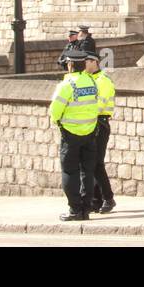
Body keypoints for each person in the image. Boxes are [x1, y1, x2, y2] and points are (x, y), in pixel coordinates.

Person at [50, 49, 100, 221]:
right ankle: (86, 209)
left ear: (70, 64)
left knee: (70, 172)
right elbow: (95, 106)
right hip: (90, 133)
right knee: (87, 171)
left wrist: (58, 122)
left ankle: (75, 209)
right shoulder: (92, 82)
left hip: (70, 134)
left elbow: (55, 111)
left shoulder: (66, 85)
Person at [86, 49, 117, 214]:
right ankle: (95, 200)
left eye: (85, 61)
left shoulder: (103, 81)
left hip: (100, 123)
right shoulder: (88, 79)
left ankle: (108, 198)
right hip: (90, 123)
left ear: (93, 62)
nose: (83, 65)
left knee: (97, 163)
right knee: (90, 163)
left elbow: (99, 105)